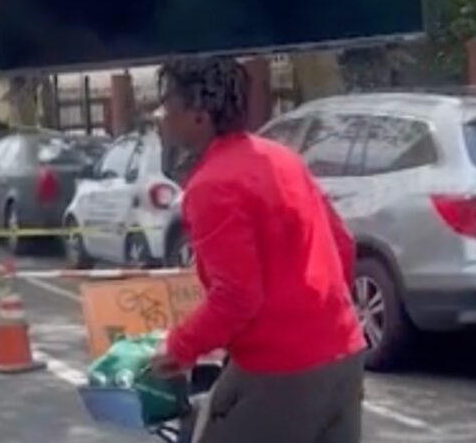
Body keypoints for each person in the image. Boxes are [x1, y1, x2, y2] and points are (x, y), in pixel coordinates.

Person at [149, 56, 365, 443]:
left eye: (167, 106)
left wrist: (179, 347)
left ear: (199, 115)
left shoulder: (212, 186)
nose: (159, 116)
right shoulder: (282, 158)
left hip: (281, 369)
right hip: (343, 353)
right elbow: (342, 244)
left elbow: (236, 296)